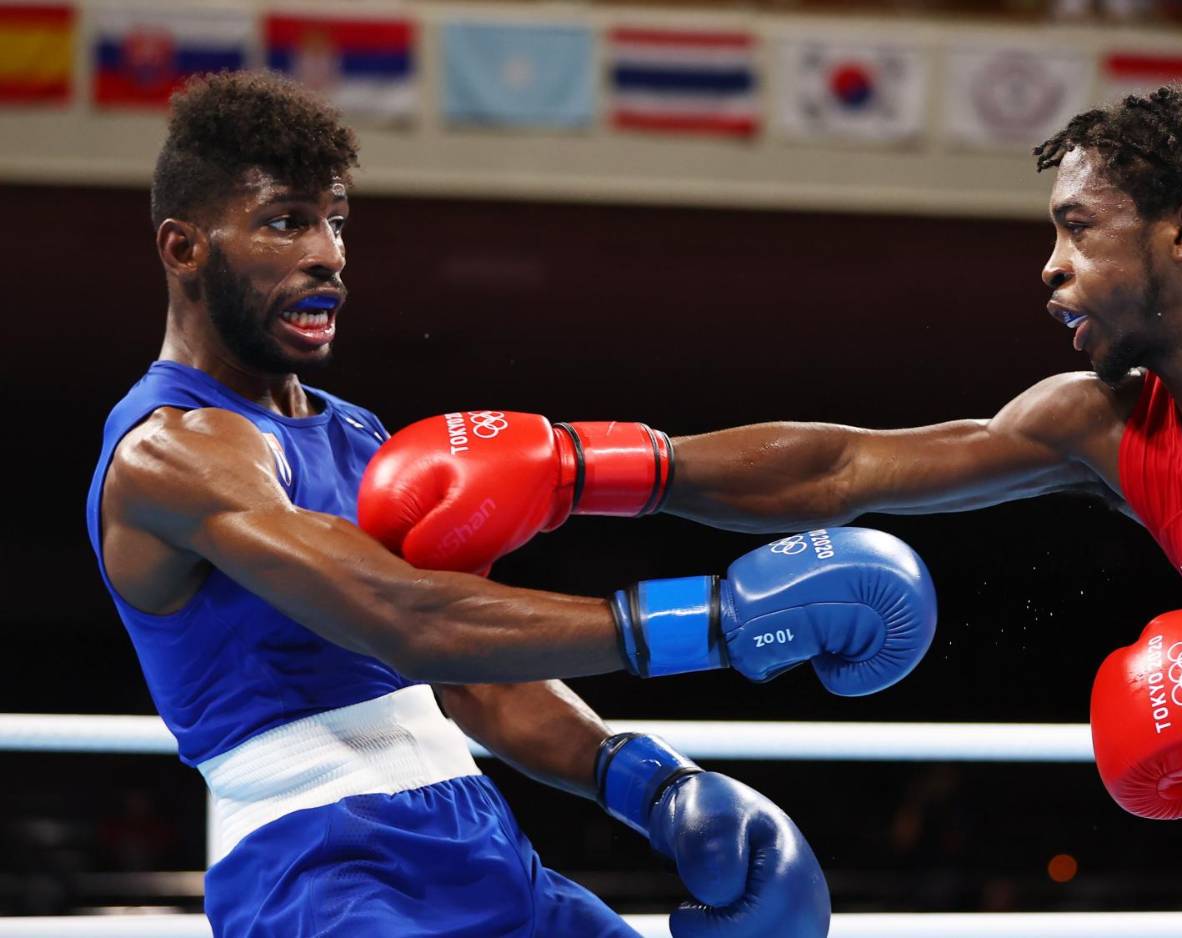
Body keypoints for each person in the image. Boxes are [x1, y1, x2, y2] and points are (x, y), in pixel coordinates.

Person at [381, 88, 1182, 934]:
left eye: (1076, 230)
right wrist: (595, 467)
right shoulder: (1105, 424)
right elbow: (842, 469)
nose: (1049, 267)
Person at [86, 71, 937, 938]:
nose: (328, 254)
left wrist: (652, 783)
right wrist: (714, 620)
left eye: (335, 222)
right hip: (320, 872)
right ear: (184, 249)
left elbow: (474, 675)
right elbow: (408, 618)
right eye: (284, 222)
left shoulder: (358, 435)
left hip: (478, 841)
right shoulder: (169, 453)